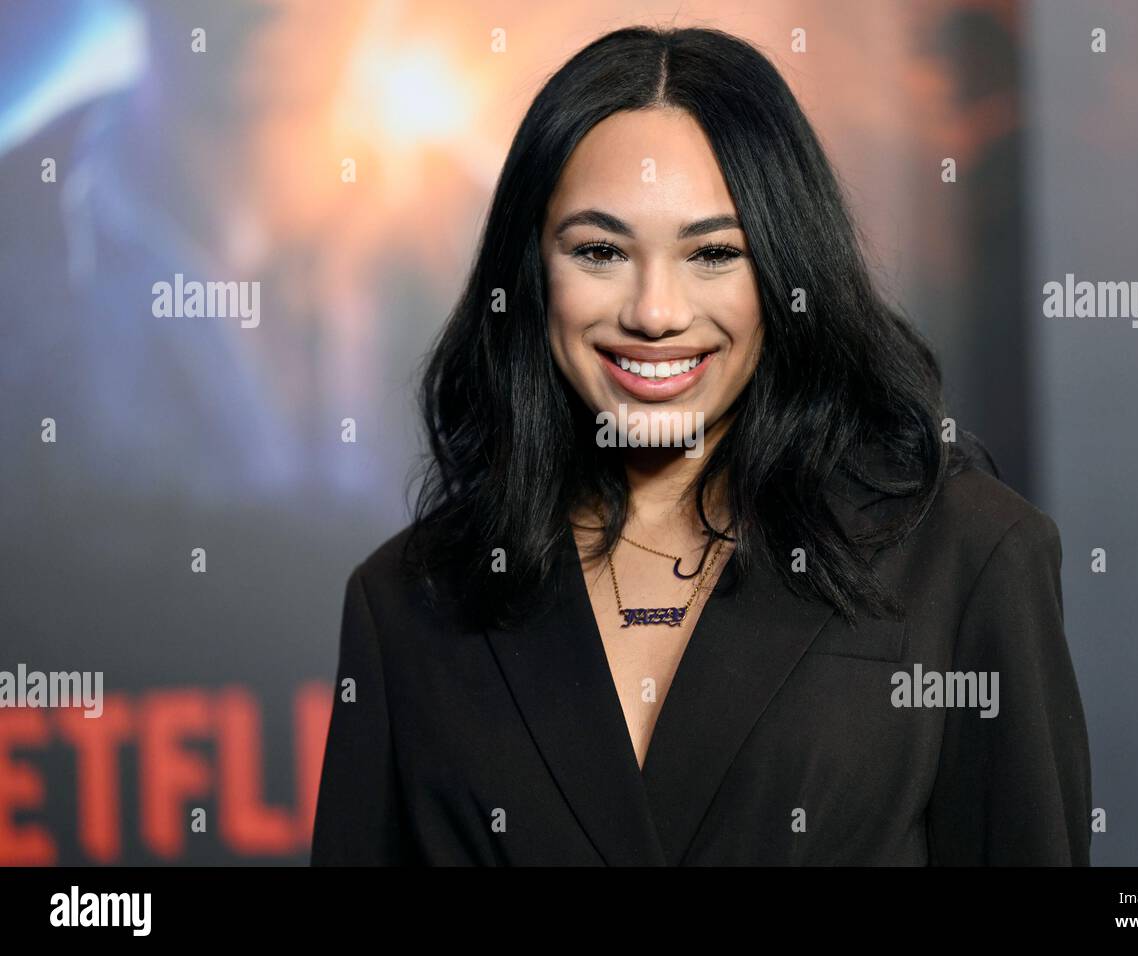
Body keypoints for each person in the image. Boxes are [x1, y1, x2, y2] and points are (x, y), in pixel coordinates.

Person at [310, 25, 1091, 866]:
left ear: (790, 272)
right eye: (600, 251)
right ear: (531, 272)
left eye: (714, 253)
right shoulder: (411, 603)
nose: (655, 312)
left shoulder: (966, 557)